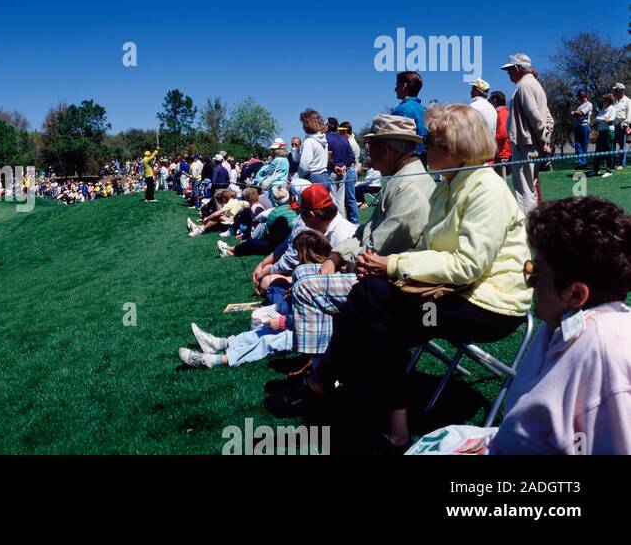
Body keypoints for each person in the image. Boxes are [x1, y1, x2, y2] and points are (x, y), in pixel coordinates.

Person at [266, 103, 532, 454]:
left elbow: (468, 265)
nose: (425, 148)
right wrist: (390, 267)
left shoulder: (486, 189)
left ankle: (324, 385)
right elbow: (427, 248)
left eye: (433, 143)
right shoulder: (448, 185)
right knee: (379, 322)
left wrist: (390, 266)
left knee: (370, 295)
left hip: (488, 309)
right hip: (449, 297)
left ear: (454, 147)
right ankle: (390, 429)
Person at [287, 115, 436, 363]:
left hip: (395, 284)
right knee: (303, 274)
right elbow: (367, 231)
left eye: (371, 145)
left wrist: (346, 260)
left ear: (385, 149)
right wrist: (335, 257)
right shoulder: (400, 179)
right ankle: (327, 364)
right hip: (380, 272)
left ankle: (320, 374)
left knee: (307, 287)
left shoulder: (410, 187)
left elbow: (382, 246)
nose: (367, 152)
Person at [490, 196, 631, 455]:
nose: (529, 281)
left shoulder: (603, 351)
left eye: (536, 271)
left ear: (576, 294)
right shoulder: (558, 324)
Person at [179, 230, 333, 368]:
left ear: (305, 253)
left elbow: (314, 320)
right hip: (302, 325)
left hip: (315, 333)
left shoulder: (314, 278)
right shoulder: (318, 272)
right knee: (263, 330)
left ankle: (213, 360)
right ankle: (221, 343)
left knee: (269, 341)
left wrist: (282, 322)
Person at [502, 53, 553, 215]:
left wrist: (543, 141)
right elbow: (548, 119)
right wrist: (545, 140)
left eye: (510, 70)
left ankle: (527, 230)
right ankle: (534, 226)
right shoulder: (535, 85)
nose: (508, 74)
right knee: (530, 189)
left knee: (524, 192)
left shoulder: (524, 87)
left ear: (517, 68)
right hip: (531, 144)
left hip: (525, 145)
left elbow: (536, 119)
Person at [325, 116, 359, 225]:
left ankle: (337, 225)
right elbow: (351, 156)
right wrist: (344, 165)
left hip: (332, 172)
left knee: (334, 201)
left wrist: (334, 165)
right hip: (343, 171)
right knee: (340, 201)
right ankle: (343, 224)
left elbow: (326, 157)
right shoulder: (344, 139)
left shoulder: (325, 138)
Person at [391, 71, 426, 156]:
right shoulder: (425, 111)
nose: (395, 89)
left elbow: (395, 143)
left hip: (407, 160)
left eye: (397, 85)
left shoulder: (401, 110)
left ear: (404, 86)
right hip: (423, 160)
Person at [295, 109, 330, 194]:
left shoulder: (309, 141)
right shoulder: (323, 140)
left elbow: (304, 166)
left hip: (313, 178)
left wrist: (298, 177)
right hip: (325, 177)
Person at [593, 92, 620, 177]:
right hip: (601, 132)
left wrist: (603, 120)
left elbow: (610, 121)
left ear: (608, 101)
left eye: (604, 99)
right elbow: (596, 119)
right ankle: (596, 170)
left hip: (609, 132)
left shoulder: (613, 109)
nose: (603, 101)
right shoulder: (602, 110)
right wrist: (602, 119)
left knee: (609, 151)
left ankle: (609, 171)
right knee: (597, 152)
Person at [488, 90, 511, 177]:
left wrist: (491, 144)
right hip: (501, 152)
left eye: (489, 100)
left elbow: (502, 134)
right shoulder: (504, 112)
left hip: (501, 153)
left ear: (495, 100)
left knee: (501, 181)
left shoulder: (502, 113)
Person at [569, 90, 593, 170]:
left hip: (584, 126)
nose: (578, 98)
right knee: (577, 145)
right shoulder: (579, 106)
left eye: (579, 96)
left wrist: (574, 112)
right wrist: (575, 113)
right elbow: (576, 114)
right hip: (577, 126)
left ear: (583, 96)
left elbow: (582, 113)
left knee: (584, 146)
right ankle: (583, 163)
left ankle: (582, 163)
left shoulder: (589, 104)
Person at [612, 83, 631, 170]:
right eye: (615, 90)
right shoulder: (615, 101)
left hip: (622, 124)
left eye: (616, 90)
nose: (615, 91)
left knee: (622, 145)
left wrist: (626, 124)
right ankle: (611, 163)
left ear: (621, 90)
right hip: (614, 125)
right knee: (612, 145)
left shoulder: (628, 101)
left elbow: (629, 114)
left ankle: (622, 164)